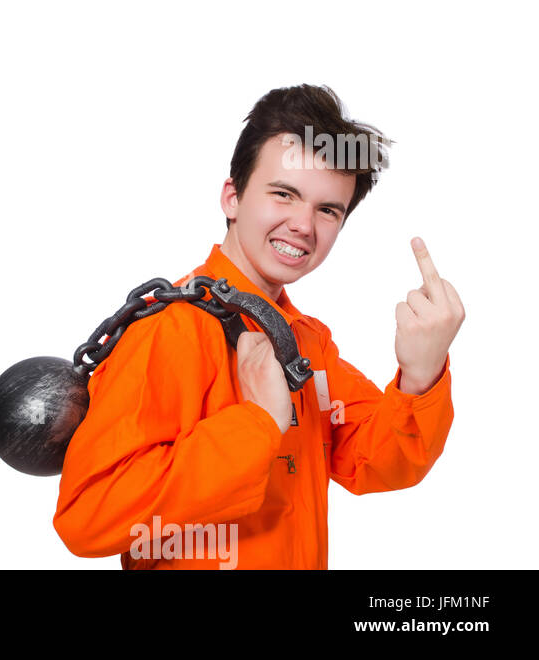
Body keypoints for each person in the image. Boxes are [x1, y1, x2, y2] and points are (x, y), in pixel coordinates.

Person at [53, 84, 465, 569]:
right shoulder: (170, 331)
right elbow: (88, 516)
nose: (304, 225)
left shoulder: (307, 341)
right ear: (233, 197)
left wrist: (422, 374)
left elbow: (375, 460)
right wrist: (258, 424)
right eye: (284, 194)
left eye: (327, 210)